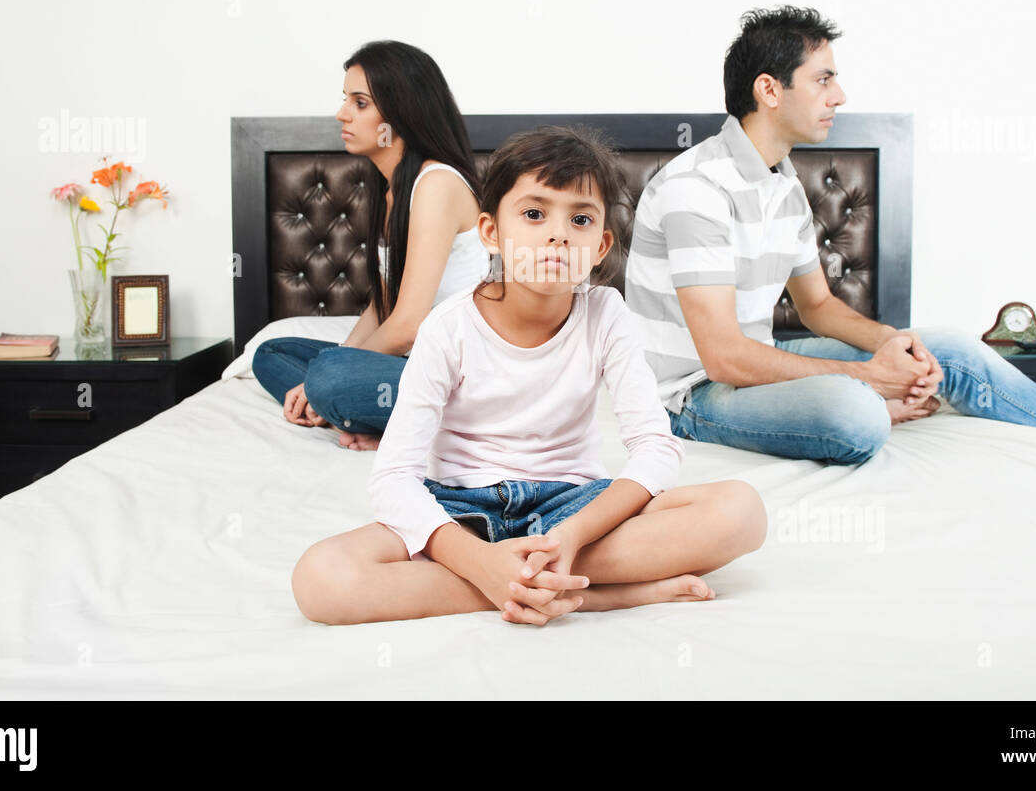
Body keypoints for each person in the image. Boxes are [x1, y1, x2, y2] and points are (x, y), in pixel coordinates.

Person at [625, 5, 1036, 468]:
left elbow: (818, 307)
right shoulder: (695, 189)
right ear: (769, 89)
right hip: (691, 397)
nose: (839, 95)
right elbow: (724, 360)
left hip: (748, 367)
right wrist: (872, 384)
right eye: (823, 79)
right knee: (854, 415)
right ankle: (874, 407)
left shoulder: (781, 184)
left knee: (947, 347)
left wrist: (892, 346)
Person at [290, 126, 766, 625]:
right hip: (461, 512)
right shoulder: (449, 326)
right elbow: (393, 477)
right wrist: (478, 562)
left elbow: (656, 446)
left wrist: (574, 534)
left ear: (601, 245)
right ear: (491, 232)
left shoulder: (606, 313)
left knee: (741, 511)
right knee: (321, 577)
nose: (558, 234)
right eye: (534, 214)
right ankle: (591, 593)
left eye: (580, 219)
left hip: (572, 506)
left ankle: (521, 578)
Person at [252, 41, 489, 451]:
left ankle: (412, 429)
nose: (342, 113)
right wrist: (343, 359)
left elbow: (408, 324)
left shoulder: (436, 185)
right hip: (412, 366)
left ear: (401, 113)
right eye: (345, 100)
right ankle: (367, 417)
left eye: (360, 103)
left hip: (461, 379)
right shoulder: (392, 189)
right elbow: (383, 307)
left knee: (328, 378)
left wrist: (326, 376)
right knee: (271, 352)